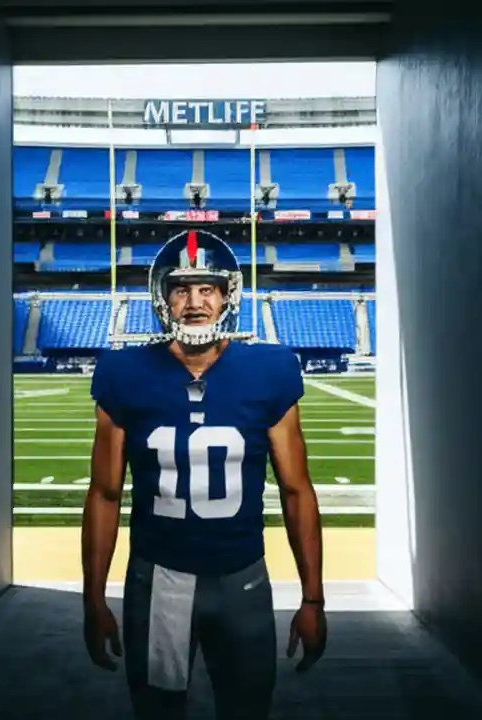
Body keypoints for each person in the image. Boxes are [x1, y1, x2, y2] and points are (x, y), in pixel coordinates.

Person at [81, 228, 327, 719]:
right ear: (163, 297)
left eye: (207, 288)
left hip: (243, 580)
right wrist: (92, 600)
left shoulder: (270, 370)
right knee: (158, 712)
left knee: (247, 710)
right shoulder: (124, 373)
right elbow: (105, 494)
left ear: (227, 295)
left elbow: (296, 490)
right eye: (181, 288)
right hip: (158, 582)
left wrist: (313, 598)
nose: (194, 302)